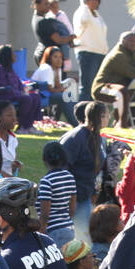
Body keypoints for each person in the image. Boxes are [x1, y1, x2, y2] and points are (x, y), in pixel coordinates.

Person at [60, 102, 107, 238]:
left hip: (85, 194)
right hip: (73, 197)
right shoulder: (76, 137)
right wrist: (70, 197)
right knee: (79, 237)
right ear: (97, 116)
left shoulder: (96, 136)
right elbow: (62, 167)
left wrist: (93, 191)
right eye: (104, 115)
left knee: (84, 237)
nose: (107, 119)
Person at [92, 32, 135, 125]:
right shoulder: (117, 55)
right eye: (131, 41)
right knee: (122, 92)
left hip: (119, 85)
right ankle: (121, 123)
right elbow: (131, 72)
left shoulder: (131, 53)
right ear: (123, 41)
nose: (134, 43)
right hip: (102, 87)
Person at [0, 45, 43, 133]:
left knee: (35, 96)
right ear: (7, 56)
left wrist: (24, 90)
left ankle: (29, 125)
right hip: (1, 95)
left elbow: (19, 83)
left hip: (13, 94)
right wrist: (20, 93)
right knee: (26, 99)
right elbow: (1, 87)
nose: (15, 56)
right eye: (13, 54)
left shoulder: (10, 69)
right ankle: (22, 127)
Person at [38, 142, 78, 246]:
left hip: (53, 231)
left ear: (44, 159)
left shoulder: (46, 181)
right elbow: (72, 209)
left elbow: (45, 214)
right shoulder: (70, 177)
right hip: (69, 228)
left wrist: (40, 232)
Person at [72, 0, 108, 101]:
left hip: (99, 54)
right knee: (87, 87)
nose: (94, 2)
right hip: (87, 53)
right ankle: (82, 114)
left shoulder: (97, 15)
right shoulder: (82, 12)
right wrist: (83, 5)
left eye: (96, 0)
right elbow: (83, 21)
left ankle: (94, 113)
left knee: (96, 87)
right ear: (86, 0)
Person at [31, 46, 77, 125]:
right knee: (64, 96)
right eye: (55, 57)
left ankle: (76, 120)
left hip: (47, 94)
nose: (59, 60)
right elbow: (50, 89)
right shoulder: (47, 68)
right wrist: (63, 89)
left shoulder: (56, 68)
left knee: (69, 95)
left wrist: (56, 73)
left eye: (60, 57)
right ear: (49, 58)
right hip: (39, 95)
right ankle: (75, 123)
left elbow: (57, 87)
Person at [31, 0, 73, 64]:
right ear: (37, 5)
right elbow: (59, 40)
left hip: (44, 55)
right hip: (50, 58)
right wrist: (71, 38)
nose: (48, 6)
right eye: (45, 4)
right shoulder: (43, 21)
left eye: (48, 4)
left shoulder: (36, 18)